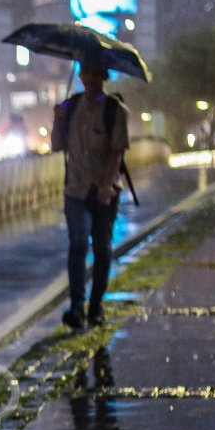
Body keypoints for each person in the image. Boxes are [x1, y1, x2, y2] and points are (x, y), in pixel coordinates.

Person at [51, 60, 129, 330]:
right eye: (87, 73)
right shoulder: (70, 108)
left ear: (104, 77)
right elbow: (57, 146)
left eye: (97, 74)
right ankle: (76, 307)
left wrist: (107, 185)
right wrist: (57, 120)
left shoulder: (114, 111)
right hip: (75, 190)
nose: (92, 79)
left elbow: (117, 152)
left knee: (103, 250)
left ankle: (95, 307)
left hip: (103, 191)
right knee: (78, 243)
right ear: (81, 76)